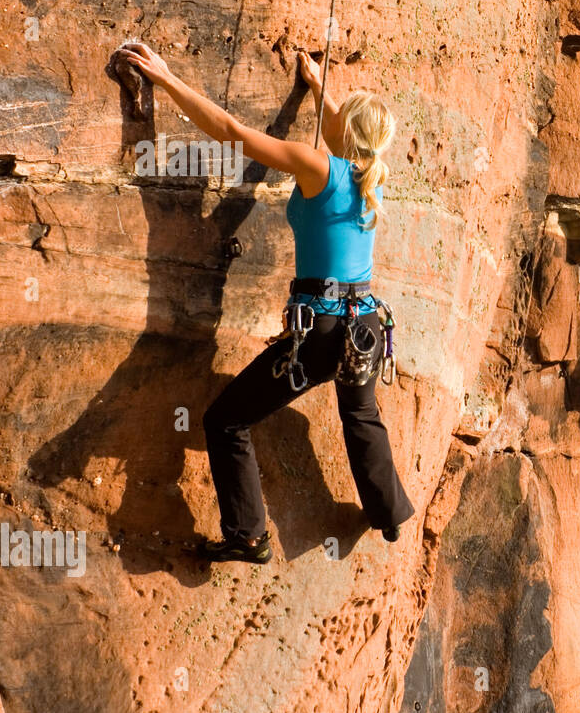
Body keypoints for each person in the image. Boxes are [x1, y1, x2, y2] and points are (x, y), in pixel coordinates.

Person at [116, 42, 415, 564]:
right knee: (361, 416)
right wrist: (319, 86)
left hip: (319, 335)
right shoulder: (373, 179)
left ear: (347, 132)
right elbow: (347, 127)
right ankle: (388, 516)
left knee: (224, 420)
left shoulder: (318, 165)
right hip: (364, 325)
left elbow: (232, 133)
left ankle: (249, 535)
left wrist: (164, 78)